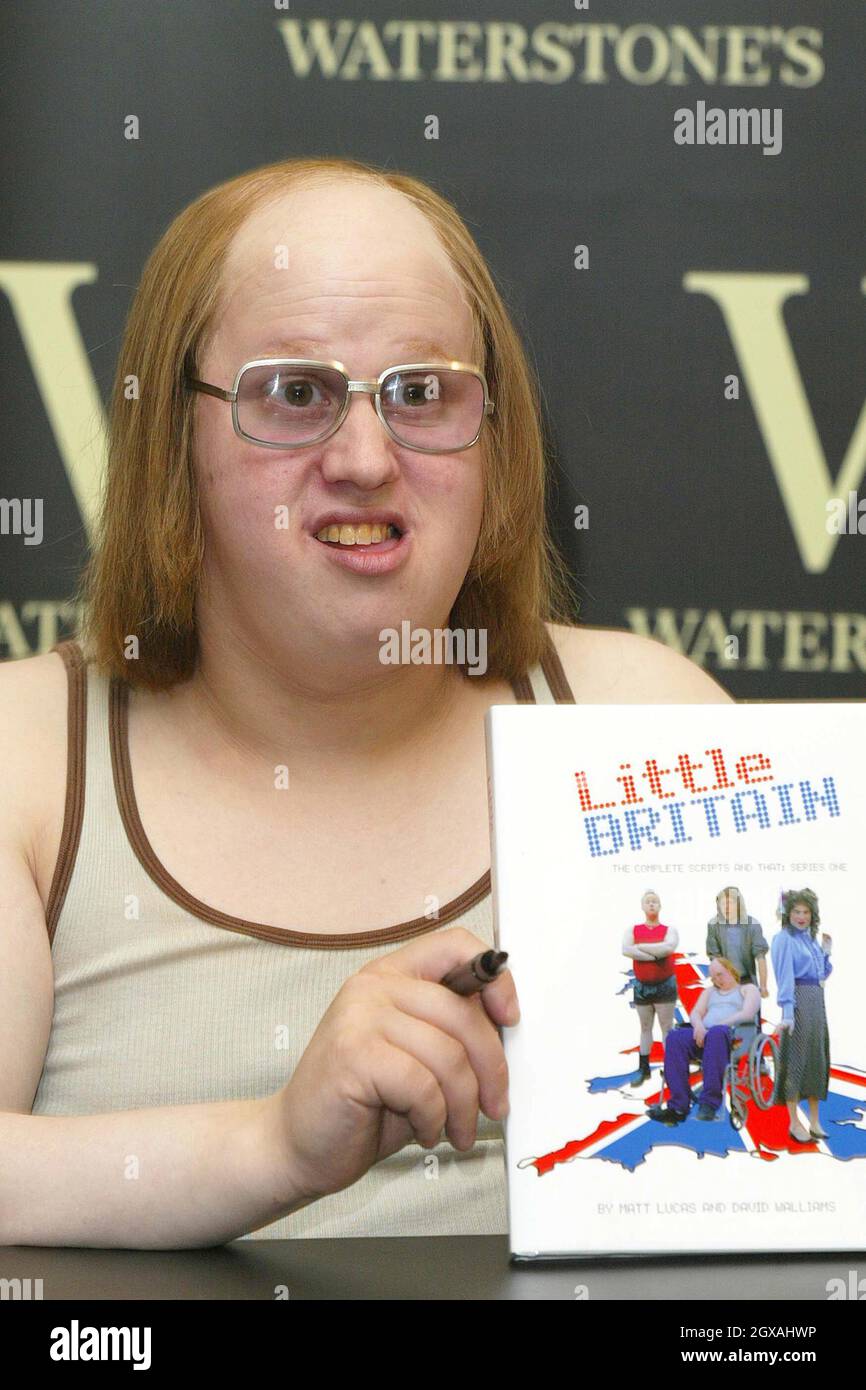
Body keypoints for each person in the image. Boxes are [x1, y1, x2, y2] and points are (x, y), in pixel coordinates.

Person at [0, 156, 732, 1250]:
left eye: (421, 393)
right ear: (172, 439)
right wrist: (278, 1145)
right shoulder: (26, 759)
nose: (364, 458)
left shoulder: (643, 727)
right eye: (295, 394)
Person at [653, 957, 760, 1124]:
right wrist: (698, 1027)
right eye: (714, 977)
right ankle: (678, 1107)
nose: (717, 980)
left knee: (717, 1033)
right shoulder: (709, 992)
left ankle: (709, 1103)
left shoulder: (747, 989)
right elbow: (696, 1013)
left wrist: (717, 1026)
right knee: (674, 1037)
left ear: (731, 970)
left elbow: (747, 1013)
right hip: (703, 1034)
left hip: (728, 1035)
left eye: (720, 974)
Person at [770, 888, 833, 1144]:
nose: (801, 916)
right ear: (788, 913)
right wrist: (788, 1013)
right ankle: (794, 1122)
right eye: (796, 911)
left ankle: (815, 1121)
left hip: (816, 1002)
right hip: (797, 1002)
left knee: (816, 1059)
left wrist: (826, 952)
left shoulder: (810, 939)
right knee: (796, 1060)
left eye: (806, 912)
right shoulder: (783, 939)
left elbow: (821, 975)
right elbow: (784, 977)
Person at [622, 891, 679, 1086]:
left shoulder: (669, 930)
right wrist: (655, 954)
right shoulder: (633, 929)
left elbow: (668, 948)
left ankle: (671, 1069)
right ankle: (643, 1069)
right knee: (645, 1028)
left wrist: (640, 948)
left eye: (655, 901)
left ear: (660, 906)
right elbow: (626, 949)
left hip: (665, 986)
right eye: (648, 902)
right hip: (642, 987)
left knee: (667, 1028)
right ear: (642, 906)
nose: (652, 904)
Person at [706, 886, 769, 999]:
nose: (726, 907)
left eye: (730, 903)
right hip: (725, 982)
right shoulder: (714, 925)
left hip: (747, 980)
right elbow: (714, 958)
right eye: (723, 903)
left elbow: (760, 957)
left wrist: (763, 986)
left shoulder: (752, 925)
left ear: (739, 904)